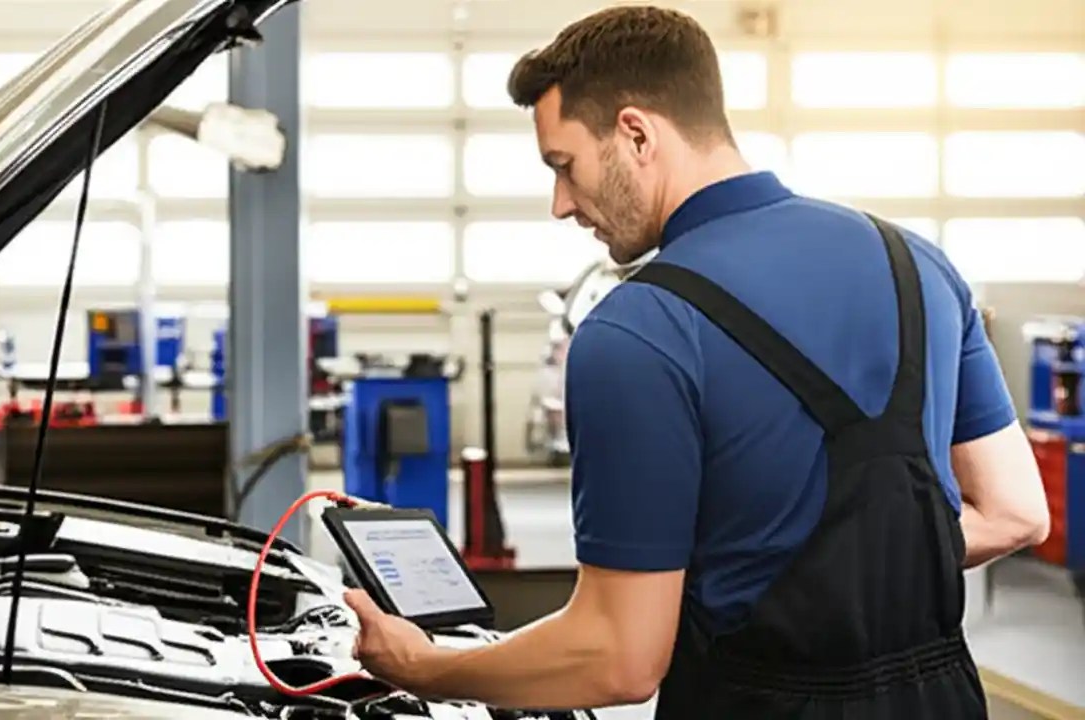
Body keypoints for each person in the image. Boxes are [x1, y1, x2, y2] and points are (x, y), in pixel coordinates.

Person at [341, 5, 1051, 717]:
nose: (561, 203)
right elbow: (1017, 514)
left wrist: (425, 667)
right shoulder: (921, 264)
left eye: (564, 165)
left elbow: (617, 658)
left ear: (636, 133)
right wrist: (852, 574)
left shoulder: (637, 330)